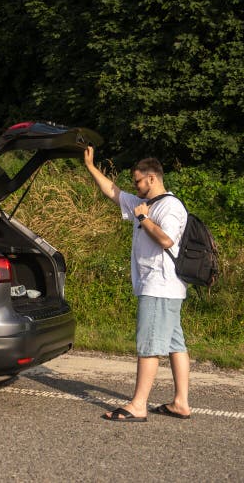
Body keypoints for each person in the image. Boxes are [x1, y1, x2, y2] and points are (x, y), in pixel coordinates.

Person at [83, 145, 191, 422]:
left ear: (152, 178)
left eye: (138, 181)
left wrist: (143, 218)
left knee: (149, 344)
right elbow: (113, 192)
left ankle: (138, 405)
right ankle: (181, 403)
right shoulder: (147, 203)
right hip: (162, 287)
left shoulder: (169, 206)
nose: (136, 186)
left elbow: (167, 240)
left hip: (160, 285)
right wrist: (91, 167)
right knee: (174, 344)